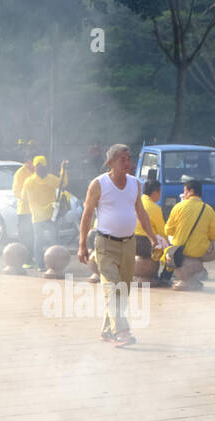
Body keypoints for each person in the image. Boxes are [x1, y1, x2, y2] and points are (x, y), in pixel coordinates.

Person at [77, 144, 162, 347]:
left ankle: (107, 331)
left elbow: (141, 212)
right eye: (123, 159)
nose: (128, 163)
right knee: (113, 287)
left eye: (129, 158)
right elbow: (87, 214)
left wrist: (152, 238)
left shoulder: (135, 184)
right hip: (105, 243)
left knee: (122, 290)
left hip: (129, 243)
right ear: (111, 162)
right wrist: (81, 244)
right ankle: (122, 331)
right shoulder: (98, 184)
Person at [164, 179, 215, 290]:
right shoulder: (209, 210)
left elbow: (168, 231)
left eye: (185, 191)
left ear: (191, 191)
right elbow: (213, 236)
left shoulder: (178, 207)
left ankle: (168, 278)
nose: (184, 194)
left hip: (178, 252)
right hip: (200, 252)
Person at [19, 155, 67, 268]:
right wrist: (63, 169)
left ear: (34, 167)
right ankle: (55, 264)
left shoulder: (28, 181)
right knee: (54, 240)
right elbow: (63, 183)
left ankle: (41, 265)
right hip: (51, 215)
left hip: (36, 216)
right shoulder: (51, 179)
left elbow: (23, 198)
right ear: (46, 166)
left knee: (38, 241)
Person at [135, 180, 168, 282]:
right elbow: (162, 231)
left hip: (130, 243)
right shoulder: (155, 208)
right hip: (147, 245)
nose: (160, 195)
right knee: (171, 249)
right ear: (155, 193)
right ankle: (165, 277)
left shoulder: (134, 203)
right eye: (160, 192)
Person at [12, 147, 35, 261]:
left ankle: (33, 257)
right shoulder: (20, 173)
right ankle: (25, 259)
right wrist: (29, 199)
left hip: (36, 211)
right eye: (34, 162)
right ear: (28, 162)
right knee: (26, 236)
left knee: (34, 236)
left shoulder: (37, 172)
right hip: (25, 210)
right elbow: (17, 191)